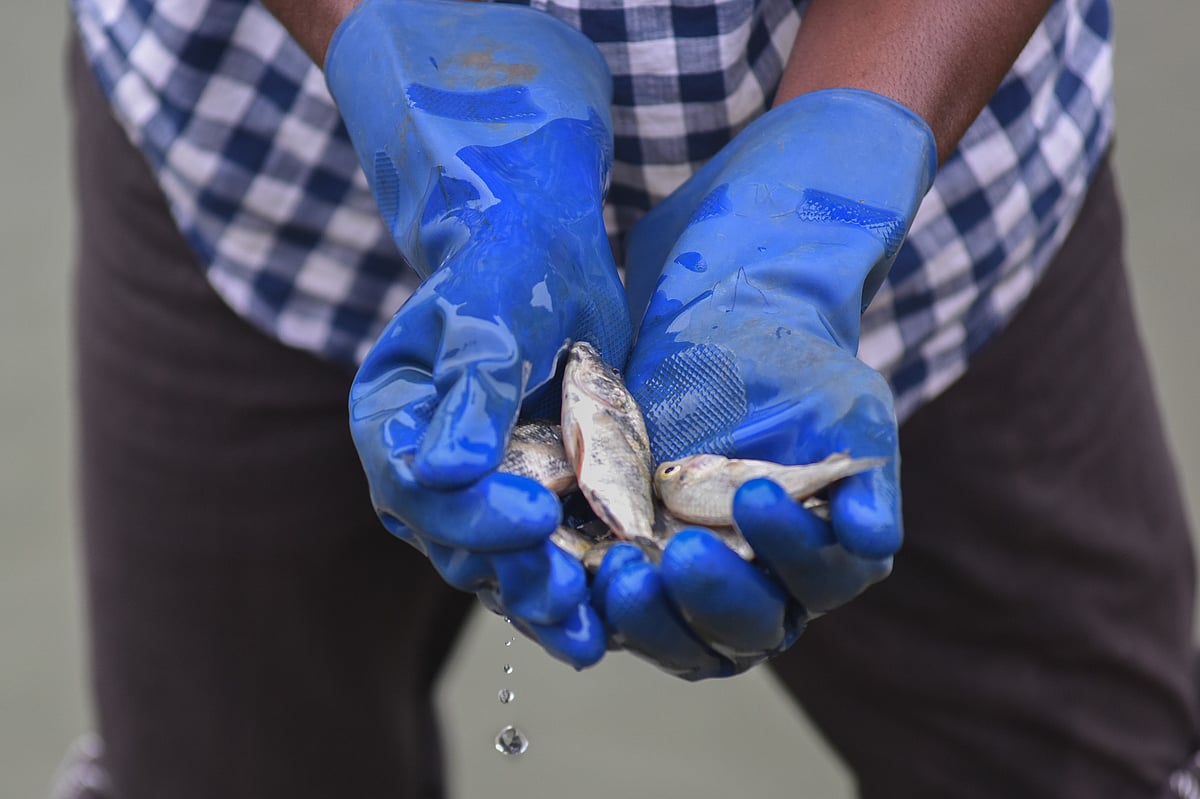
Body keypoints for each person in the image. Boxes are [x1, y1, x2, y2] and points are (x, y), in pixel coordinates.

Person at [57, 0, 1199, 795]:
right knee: (219, 771)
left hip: (916, 218)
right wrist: (370, 20)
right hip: (276, 157)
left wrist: (852, 143)